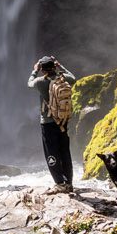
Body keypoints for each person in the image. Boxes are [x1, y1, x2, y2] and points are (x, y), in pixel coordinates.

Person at [29, 54, 76, 191]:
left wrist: (34, 70)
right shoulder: (64, 78)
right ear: (54, 66)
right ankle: (69, 183)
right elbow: (73, 77)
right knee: (64, 151)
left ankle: (60, 184)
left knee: (51, 152)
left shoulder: (40, 82)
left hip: (48, 123)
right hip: (63, 121)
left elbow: (29, 83)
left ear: (42, 69)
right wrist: (60, 66)